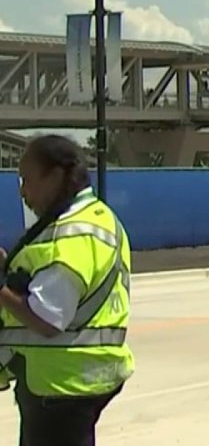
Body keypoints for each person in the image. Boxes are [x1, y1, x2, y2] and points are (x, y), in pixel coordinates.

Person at [0, 134, 134, 445]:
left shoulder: (75, 231)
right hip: (64, 383)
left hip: (60, 386)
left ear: (57, 176)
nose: (22, 191)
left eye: (27, 180)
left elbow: (47, 317)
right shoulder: (86, 220)